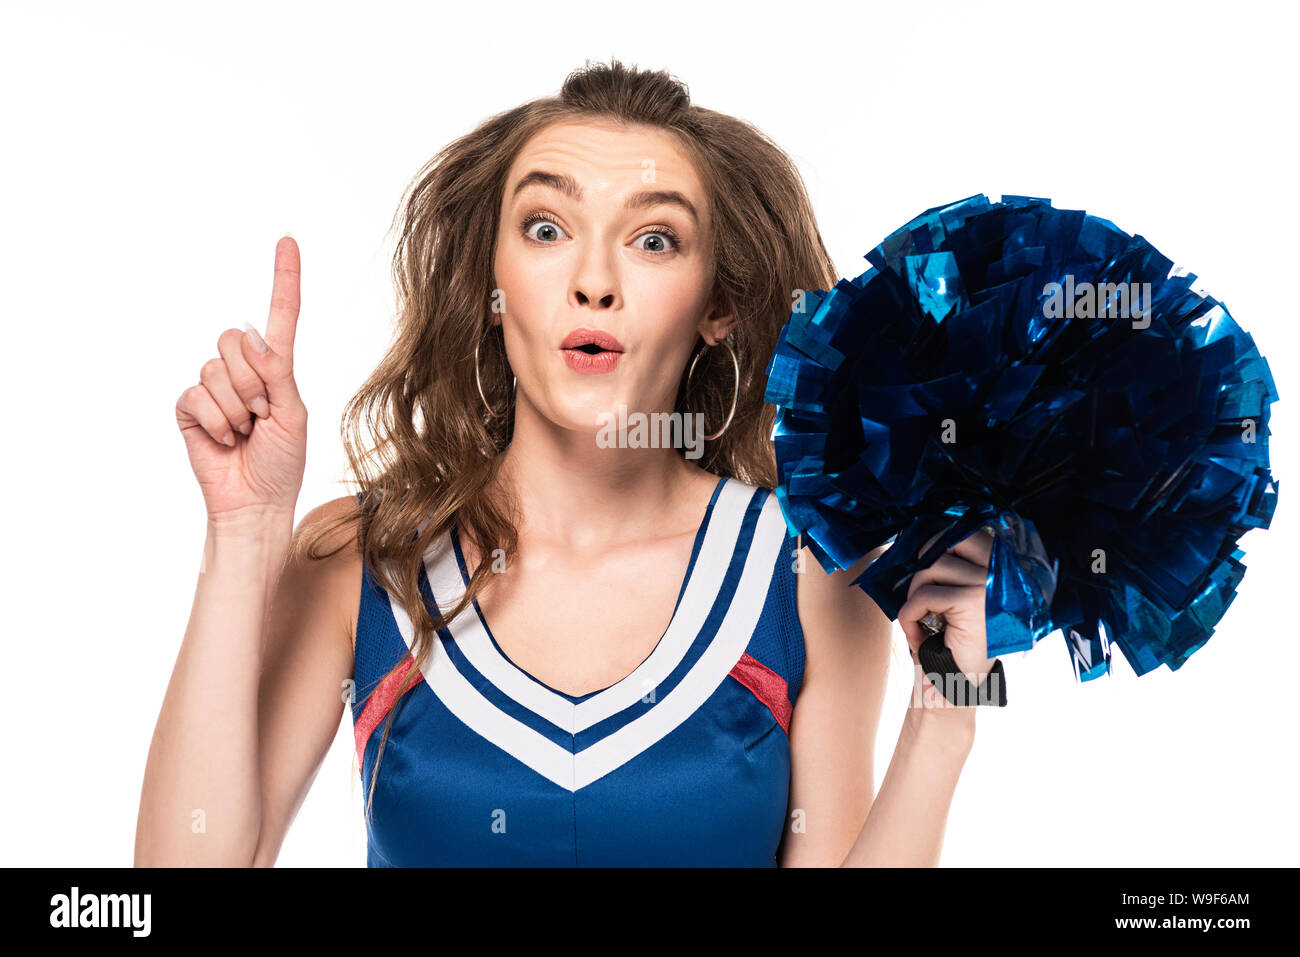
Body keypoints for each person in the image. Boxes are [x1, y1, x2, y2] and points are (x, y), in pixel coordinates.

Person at [136, 59, 998, 867]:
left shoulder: (802, 570)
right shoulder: (364, 557)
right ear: (489, 281)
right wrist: (244, 532)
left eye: (654, 240)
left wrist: (946, 719)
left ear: (718, 305)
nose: (595, 280)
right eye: (547, 228)